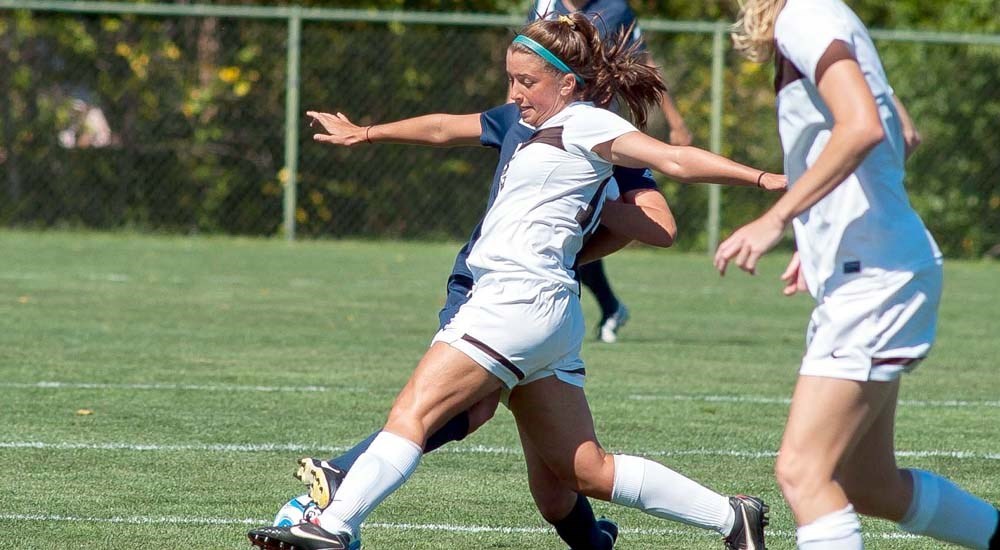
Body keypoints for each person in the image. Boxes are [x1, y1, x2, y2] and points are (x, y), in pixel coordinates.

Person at [248, 13, 783, 550]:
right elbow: (441, 127)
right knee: (585, 472)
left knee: (414, 412)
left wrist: (764, 179)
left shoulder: (587, 122)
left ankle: (334, 524)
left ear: (568, 83)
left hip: (515, 298)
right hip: (546, 310)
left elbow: (674, 160)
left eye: (527, 82)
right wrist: (367, 132)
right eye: (511, 78)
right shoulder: (530, 126)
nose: (516, 92)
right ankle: (731, 516)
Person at [717, 1, 1000, 549]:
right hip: (876, 266)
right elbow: (903, 131)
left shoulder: (804, 14)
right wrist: (823, 229)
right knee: (870, 485)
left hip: (876, 278)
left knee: (803, 472)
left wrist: (779, 217)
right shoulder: (821, 16)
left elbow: (864, 125)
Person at [532, 0, 694, 343]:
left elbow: (644, 63)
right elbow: (525, 60)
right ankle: (599, 303)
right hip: (549, 132)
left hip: (596, 137)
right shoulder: (544, 4)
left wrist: (676, 121)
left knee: (587, 222)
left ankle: (586, 299)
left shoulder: (616, 8)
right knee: (562, 227)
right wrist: (518, 123)